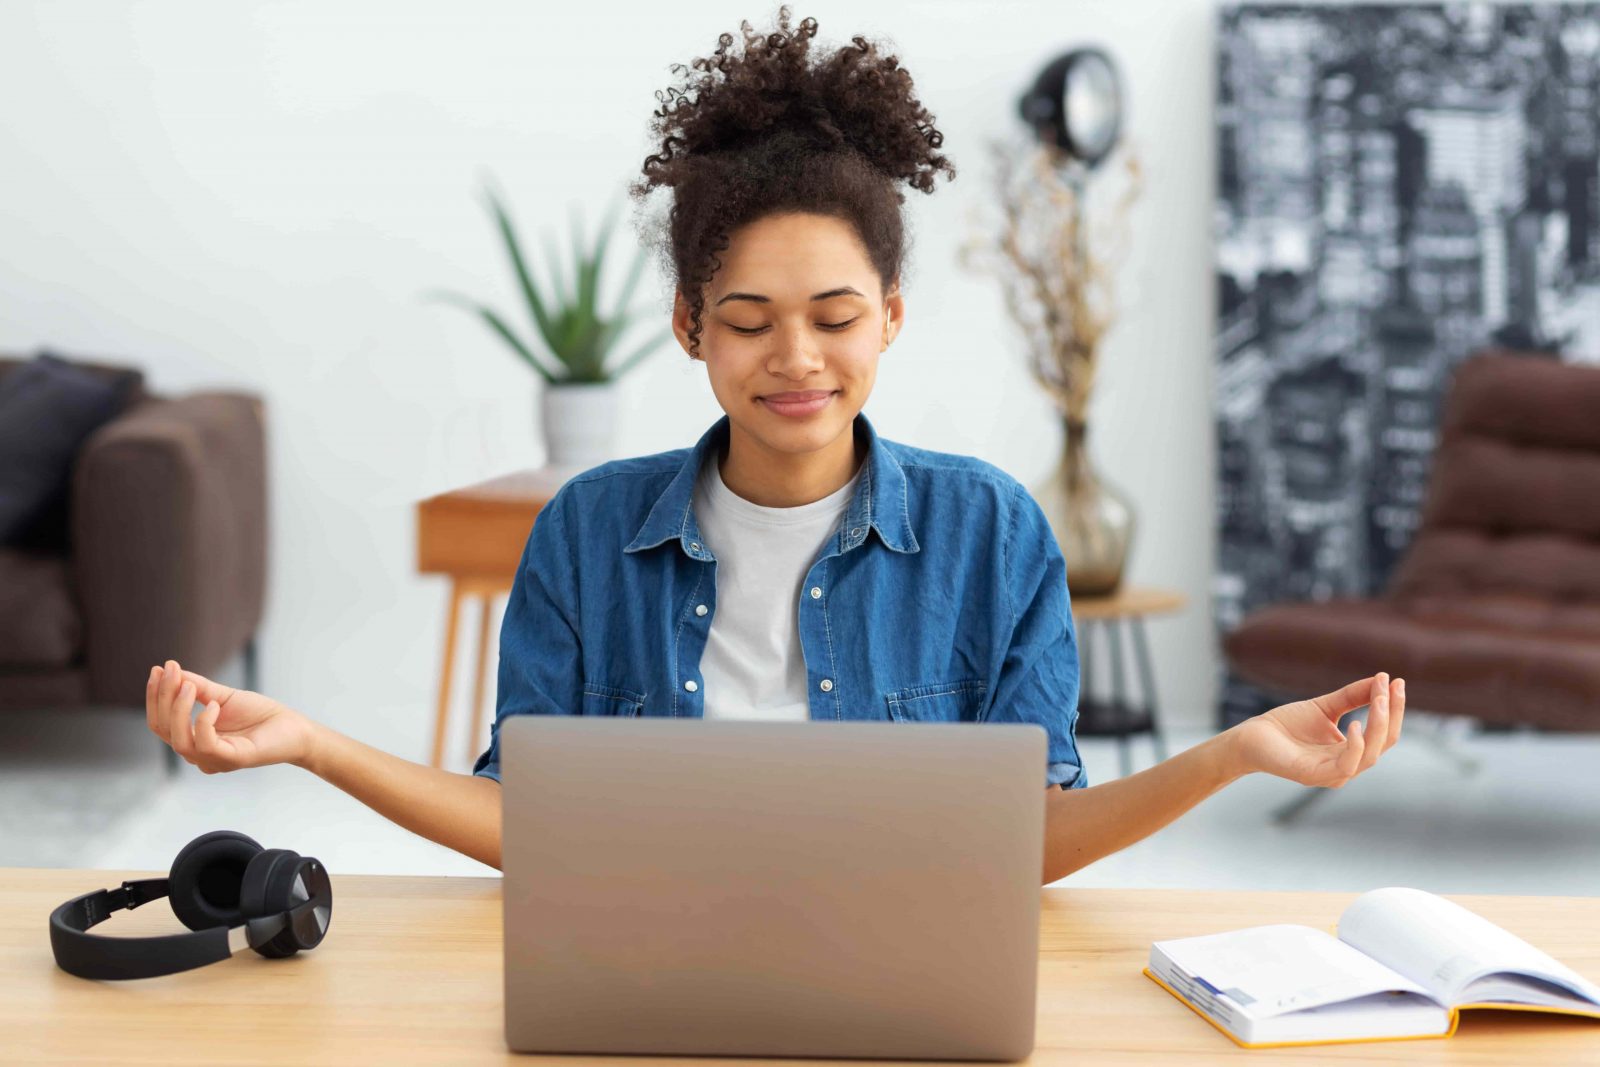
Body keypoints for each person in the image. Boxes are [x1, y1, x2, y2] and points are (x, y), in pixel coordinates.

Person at [146, 6, 1404, 881]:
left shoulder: (989, 532)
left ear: (892, 319)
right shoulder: (589, 531)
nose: (796, 358)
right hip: (642, 959)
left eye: (836, 317)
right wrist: (306, 740)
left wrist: (1235, 752)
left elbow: (1028, 837)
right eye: (748, 320)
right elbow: (528, 819)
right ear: (690, 324)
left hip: (905, 966)